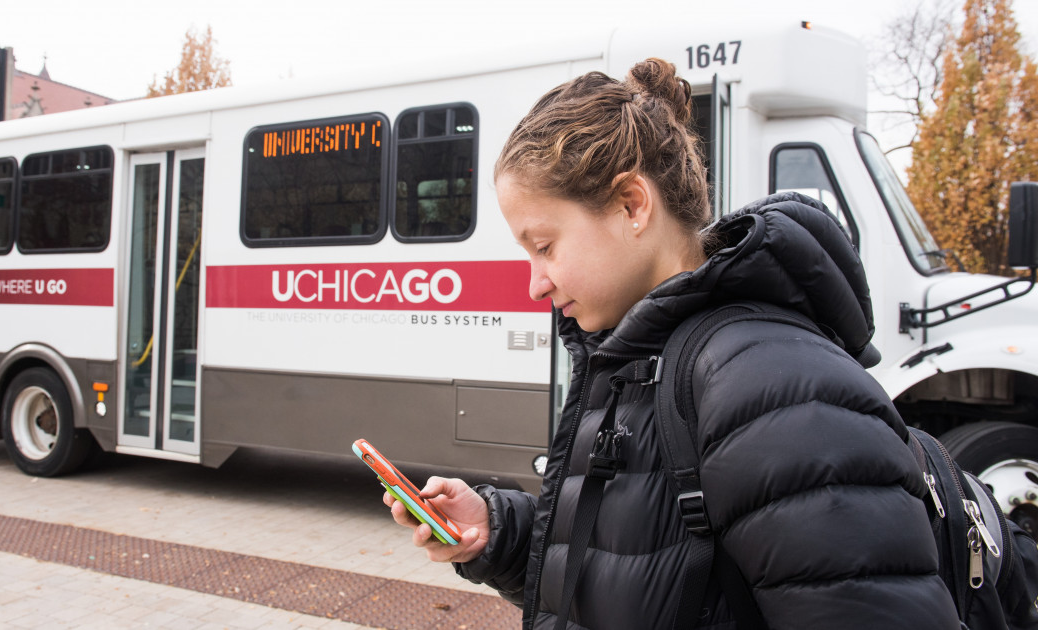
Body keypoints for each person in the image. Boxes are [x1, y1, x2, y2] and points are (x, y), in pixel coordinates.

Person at [383, 59, 960, 629]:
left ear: (633, 205)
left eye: (545, 245)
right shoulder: (637, 363)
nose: (535, 283)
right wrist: (495, 531)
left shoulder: (768, 388)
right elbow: (631, 566)